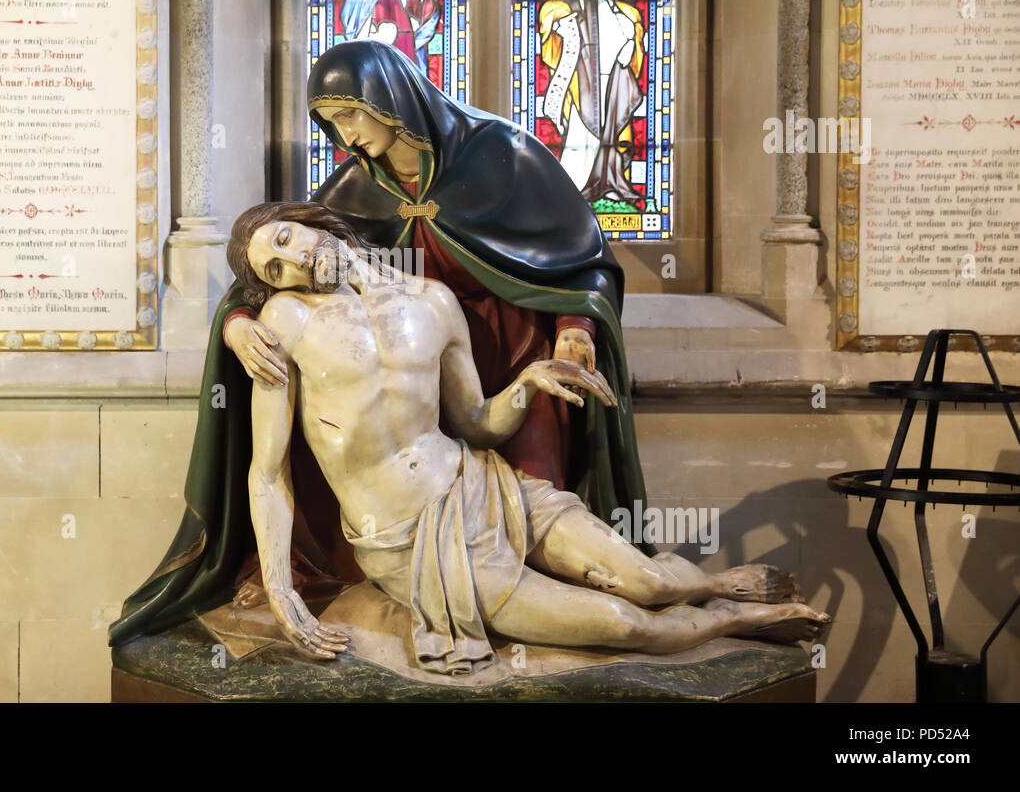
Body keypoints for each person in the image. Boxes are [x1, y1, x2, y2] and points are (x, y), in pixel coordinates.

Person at [109, 39, 649, 647]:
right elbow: (276, 261)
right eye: (331, 125)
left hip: (509, 357)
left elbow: (586, 262)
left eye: (348, 116)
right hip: (409, 361)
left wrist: (575, 331)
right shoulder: (355, 188)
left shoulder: (504, 155)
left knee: (538, 510)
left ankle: (566, 622)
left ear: (387, 98)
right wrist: (236, 323)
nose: (344, 137)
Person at [231, 202, 827, 673]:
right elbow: (267, 471)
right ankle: (727, 616)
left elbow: (472, 423)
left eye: (286, 240)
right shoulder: (286, 320)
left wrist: (527, 383)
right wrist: (282, 590)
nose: (296, 263)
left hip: (484, 489)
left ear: (308, 222)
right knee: (626, 626)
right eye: (274, 270)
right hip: (407, 541)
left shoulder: (432, 301)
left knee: (650, 580)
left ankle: (715, 582)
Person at [539, 0, 644, 202]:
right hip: (581, 66)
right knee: (579, 127)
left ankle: (611, 182)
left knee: (612, 122)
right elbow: (552, 8)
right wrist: (560, 19)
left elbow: (634, 16)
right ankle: (576, 186)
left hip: (612, 65)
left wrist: (612, 4)